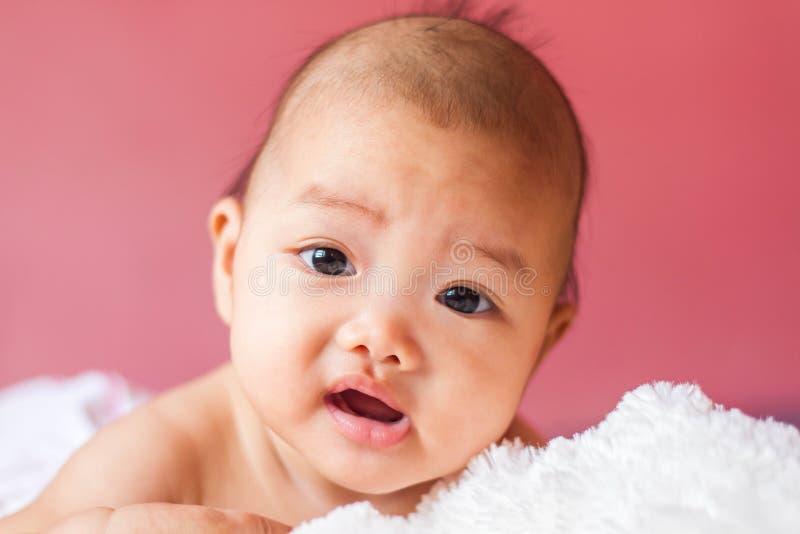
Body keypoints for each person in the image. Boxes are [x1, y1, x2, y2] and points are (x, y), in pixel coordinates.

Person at [0, 6, 588, 533]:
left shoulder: (517, 479)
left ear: (539, 344)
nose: (381, 338)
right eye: (329, 259)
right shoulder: (166, 454)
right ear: (233, 263)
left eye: (462, 297)